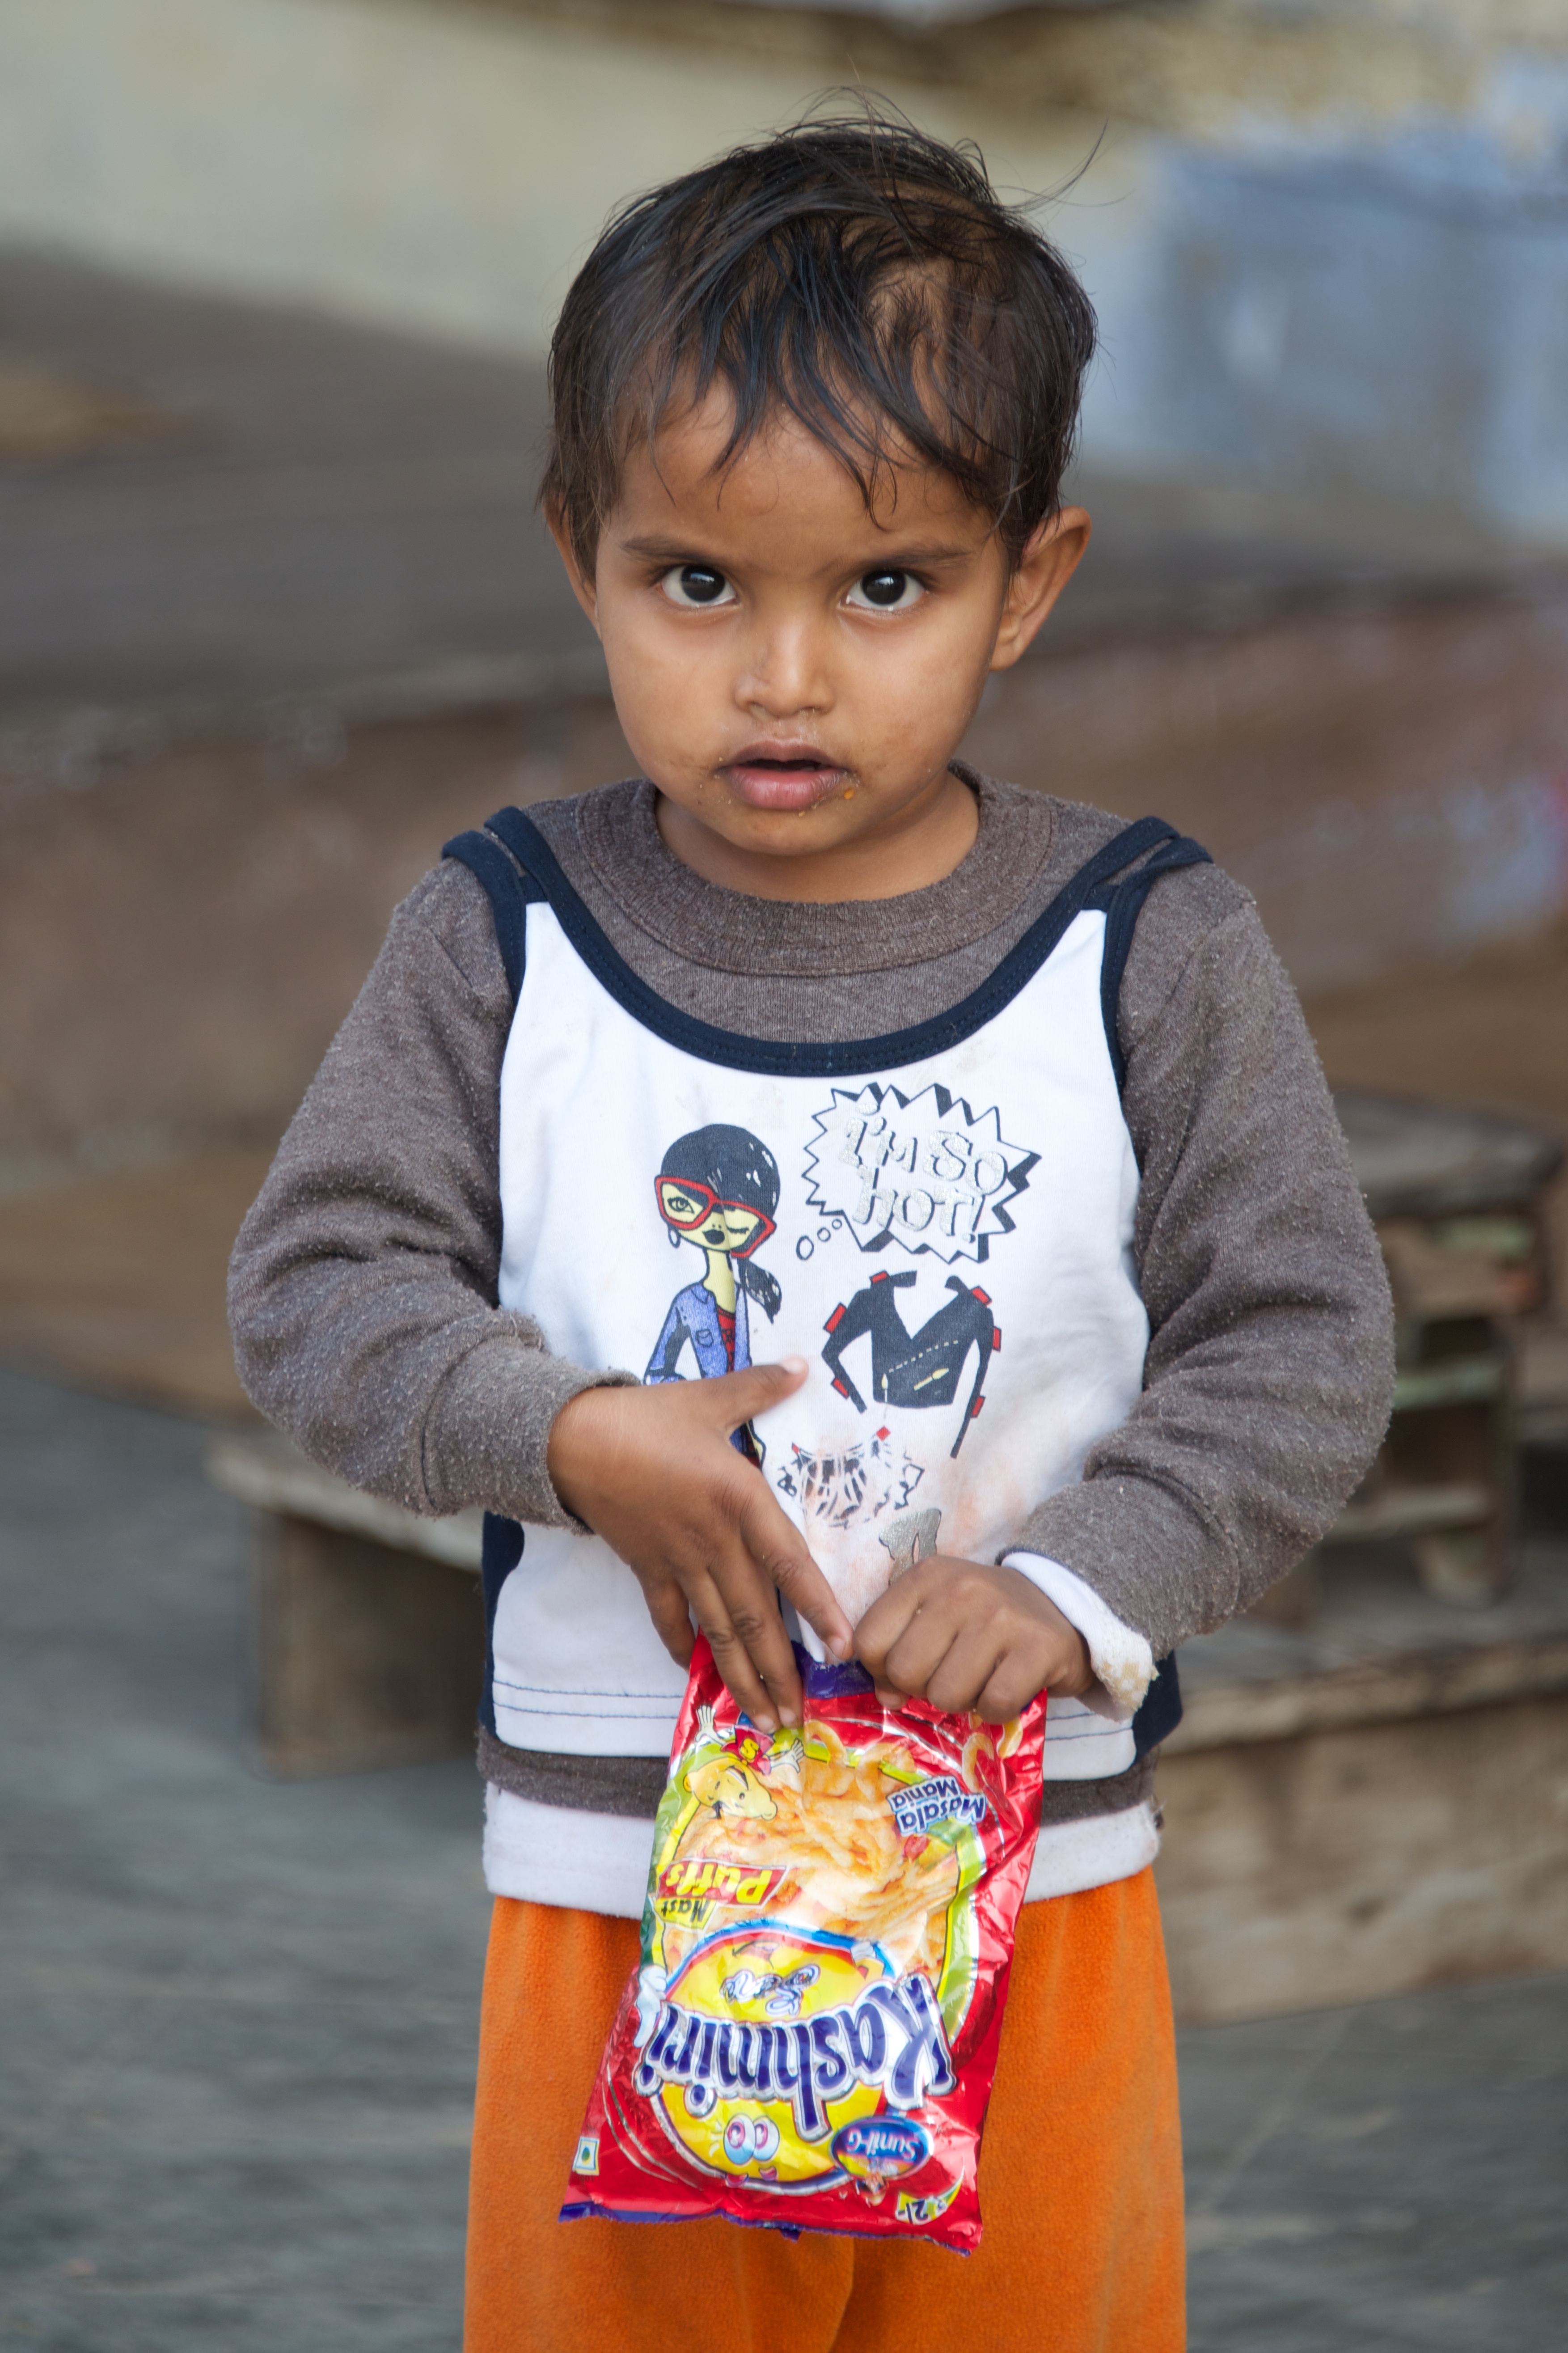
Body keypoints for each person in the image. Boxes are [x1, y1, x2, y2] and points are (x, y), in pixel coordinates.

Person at [228, 109, 1394, 2353]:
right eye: (698, 583)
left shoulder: (1140, 943)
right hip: (622, 1884)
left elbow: (1303, 1339)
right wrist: (574, 1433)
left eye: (883, 586)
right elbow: (314, 1289)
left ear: (1026, 581)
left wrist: (1072, 1583)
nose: (782, 676)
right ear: (579, 554)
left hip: (1028, 1875)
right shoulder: (511, 931)